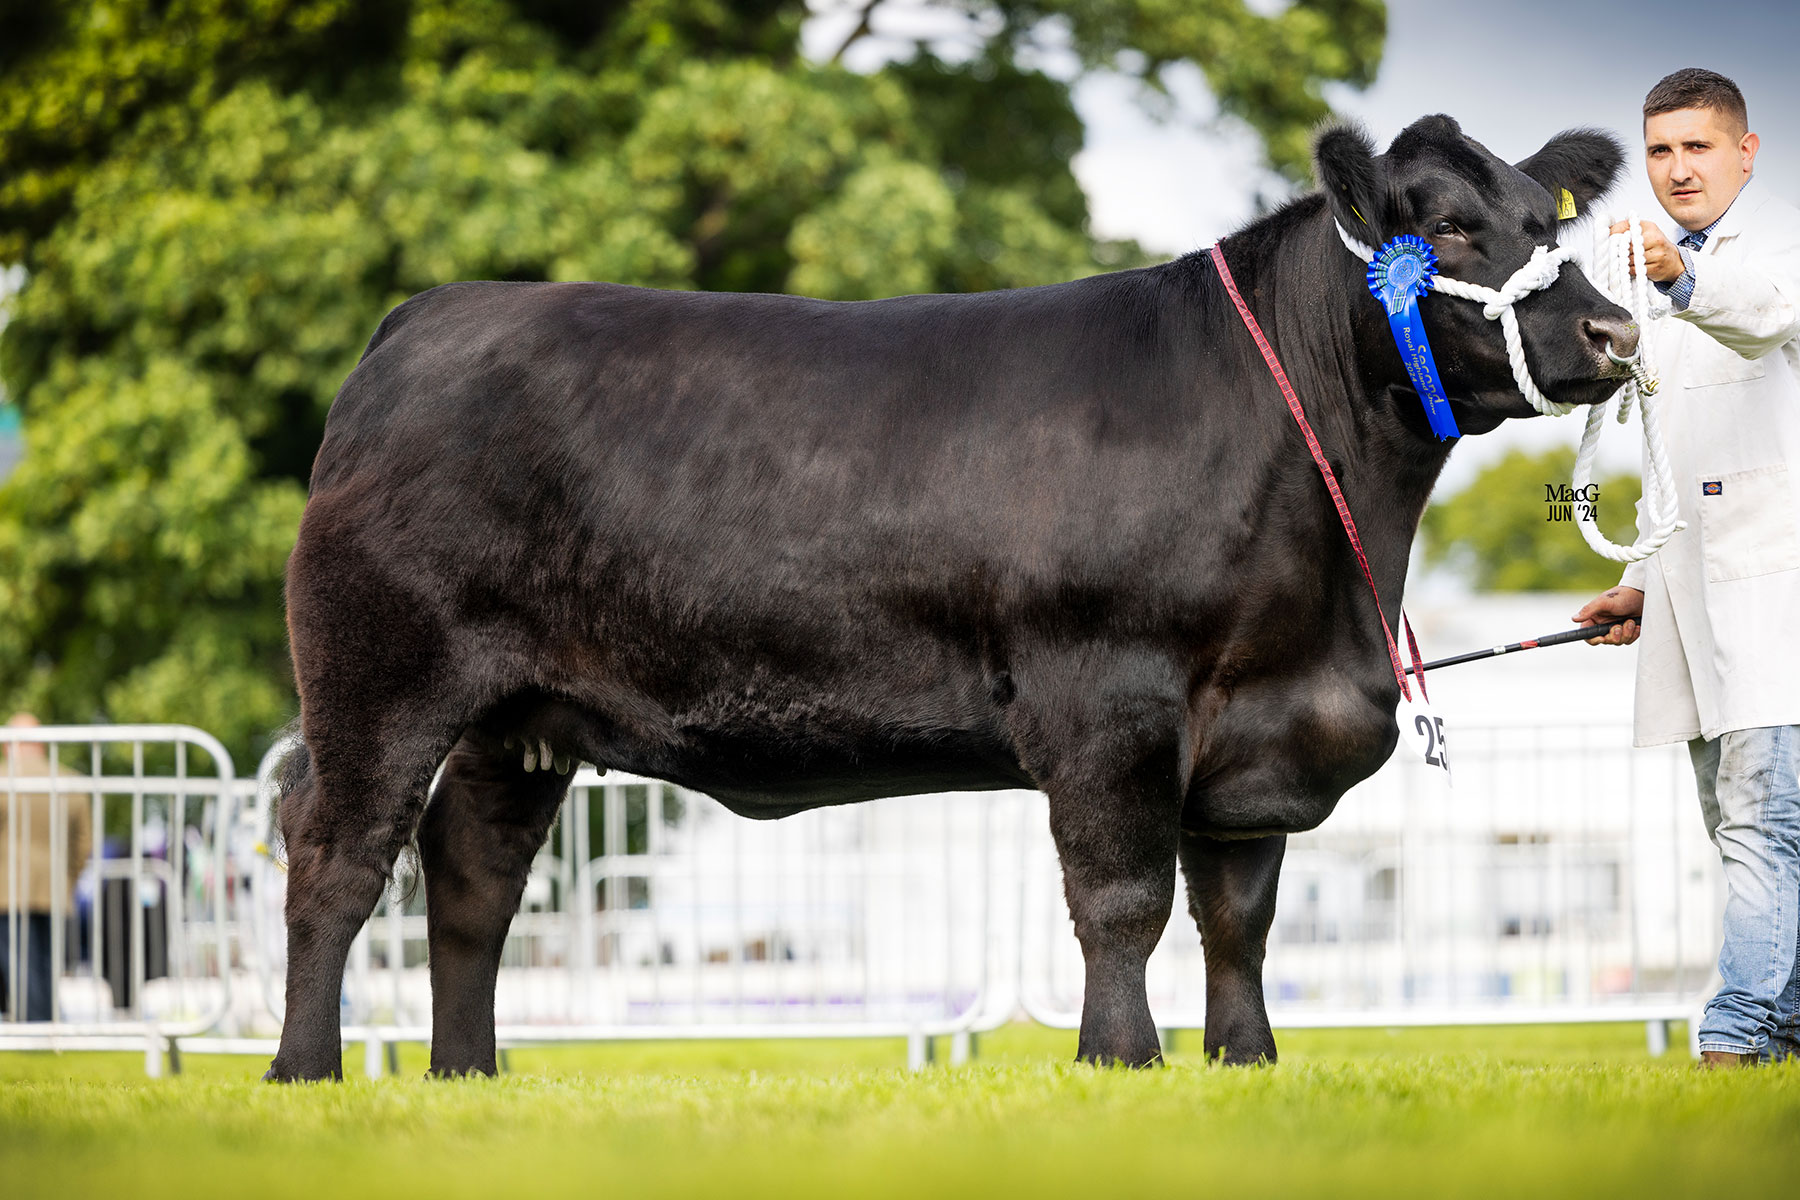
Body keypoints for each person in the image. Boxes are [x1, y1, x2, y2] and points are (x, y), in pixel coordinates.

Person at [1575, 68, 1800, 1068]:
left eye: (1698, 146)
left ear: (1745, 151)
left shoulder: (1777, 252)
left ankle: (1735, 1036)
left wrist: (1678, 278)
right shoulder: (1654, 287)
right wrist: (1640, 581)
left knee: (1761, 825)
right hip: (1697, 605)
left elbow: (1762, 312)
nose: (1678, 168)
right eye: (1660, 150)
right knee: (1740, 827)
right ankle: (1785, 1033)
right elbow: (1673, 460)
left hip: (1779, 605)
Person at [1, 713, 91, 1021]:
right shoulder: (70, 782)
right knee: (48, 966)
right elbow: (83, 844)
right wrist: (67, 880)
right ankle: (49, 1025)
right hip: (55, 888)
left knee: (20, 966)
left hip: (7, 890)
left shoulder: (3, 778)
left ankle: (34, 1029)